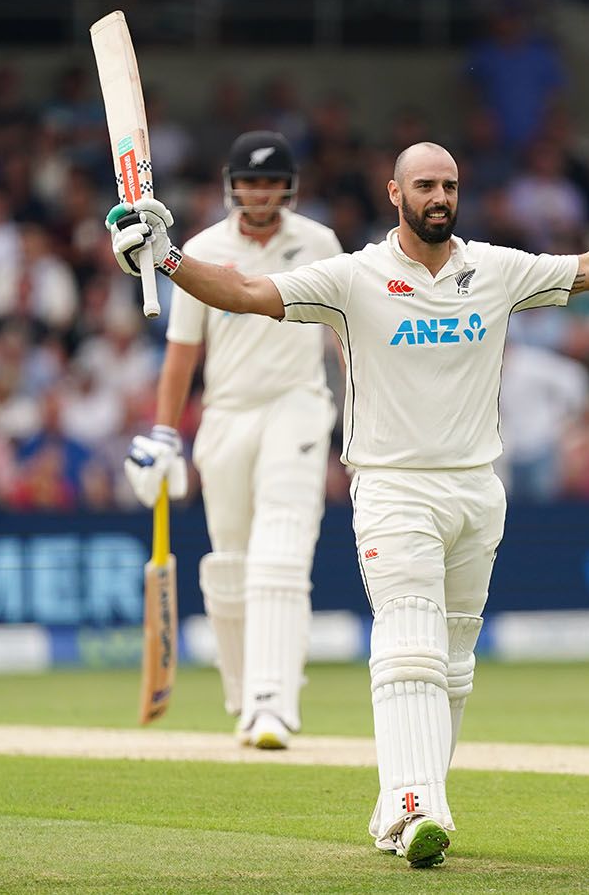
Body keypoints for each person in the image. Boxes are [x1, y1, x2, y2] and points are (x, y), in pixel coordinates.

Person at [108, 74, 589, 869]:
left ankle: (395, 807)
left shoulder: (498, 268)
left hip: (479, 489)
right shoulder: (351, 278)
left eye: (447, 184)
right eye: (424, 185)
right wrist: (166, 256)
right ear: (395, 193)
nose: (438, 196)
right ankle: (418, 809)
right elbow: (240, 290)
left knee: (451, 662)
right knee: (407, 643)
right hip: (392, 487)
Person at [122, 131, 344, 750]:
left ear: (289, 186)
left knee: (281, 551)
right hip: (225, 417)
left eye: (272, 181)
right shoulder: (198, 250)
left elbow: (344, 336)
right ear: (231, 183)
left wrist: (365, 416)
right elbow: (181, 354)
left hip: (297, 407)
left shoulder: (318, 243)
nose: (261, 192)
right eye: (250, 180)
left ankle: (275, 700)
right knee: (230, 564)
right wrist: (164, 433)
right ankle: (246, 698)